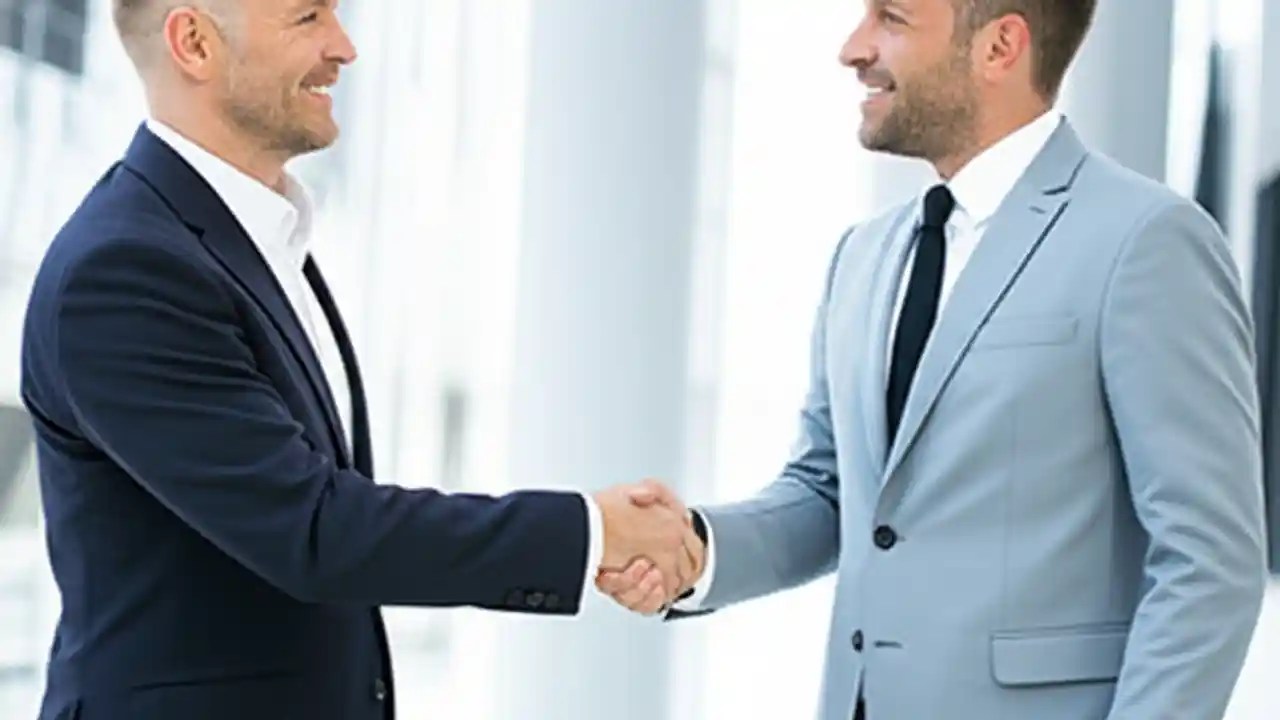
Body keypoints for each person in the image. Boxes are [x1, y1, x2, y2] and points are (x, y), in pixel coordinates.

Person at [20, 1, 700, 718]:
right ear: (194, 42)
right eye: (307, 17)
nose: (344, 48)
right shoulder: (126, 269)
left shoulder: (251, 239)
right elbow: (315, 530)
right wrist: (593, 534)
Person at [600, 1, 1268, 718]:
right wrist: (696, 551)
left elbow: (1210, 562)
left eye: (890, 18)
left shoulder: (1147, 241)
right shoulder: (862, 255)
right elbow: (831, 492)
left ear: (1000, 46)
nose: (853, 48)